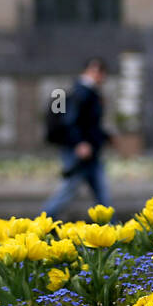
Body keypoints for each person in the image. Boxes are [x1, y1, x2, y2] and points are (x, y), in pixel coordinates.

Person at [42, 57, 112, 217]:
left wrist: (105, 137)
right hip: (80, 151)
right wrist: (80, 143)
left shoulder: (87, 92)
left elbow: (90, 123)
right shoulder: (82, 92)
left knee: (101, 194)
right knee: (69, 189)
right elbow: (71, 121)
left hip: (89, 150)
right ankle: (43, 222)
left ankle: (111, 227)